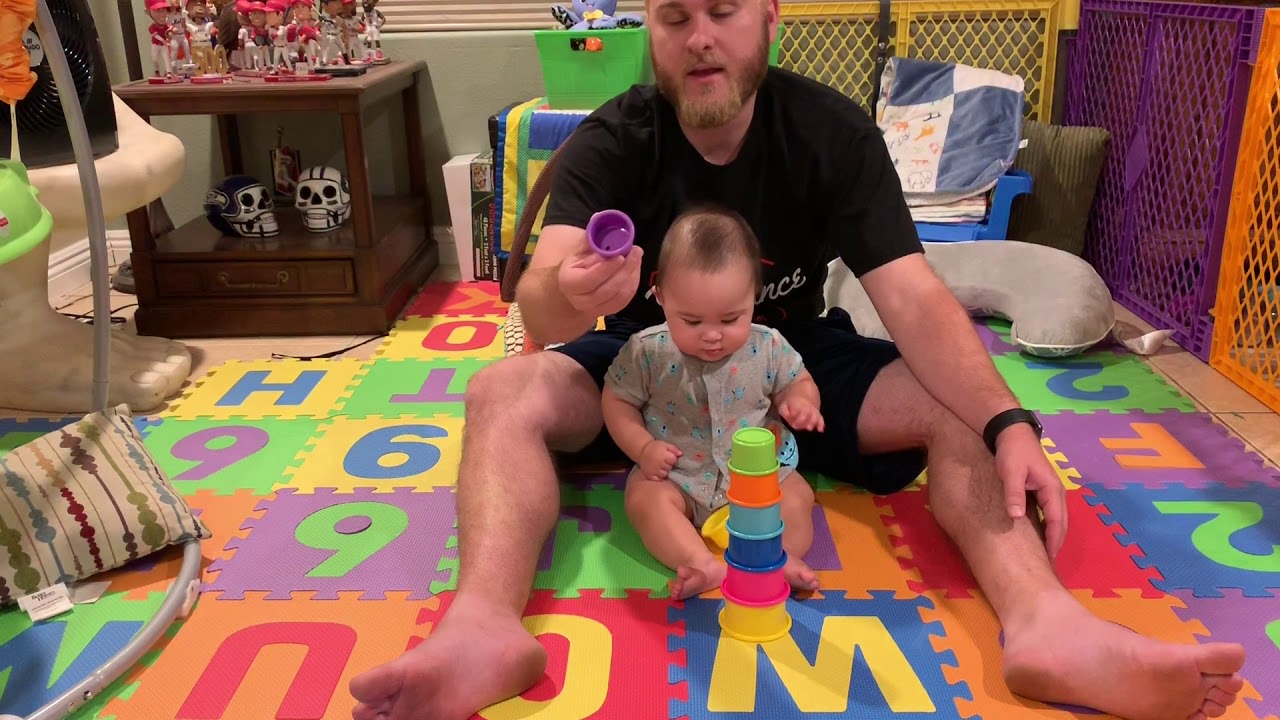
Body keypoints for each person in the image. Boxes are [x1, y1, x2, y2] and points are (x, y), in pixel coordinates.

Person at [348, 0, 1249, 715]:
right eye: (674, 16)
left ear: (770, 16)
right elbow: (540, 304)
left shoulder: (830, 132)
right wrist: (576, 289)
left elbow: (913, 299)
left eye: (723, 10)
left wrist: (1008, 419)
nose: (699, 37)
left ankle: (1046, 625)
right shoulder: (614, 139)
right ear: (650, 27)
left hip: (789, 362)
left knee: (956, 401)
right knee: (503, 388)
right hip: (643, 362)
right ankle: (483, 627)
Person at [601, 206, 823, 599]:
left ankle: (777, 556)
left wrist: (801, 401)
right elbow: (617, 401)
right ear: (661, 296)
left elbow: (798, 381)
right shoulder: (648, 352)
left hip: (758, 478)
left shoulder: (769, 346)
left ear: (753, 296)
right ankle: (698, 562)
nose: (712, 335)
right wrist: (643, 448)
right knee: (643, 499)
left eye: (730, 318)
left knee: (798, 497)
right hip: (678, 476)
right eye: (692, 321)